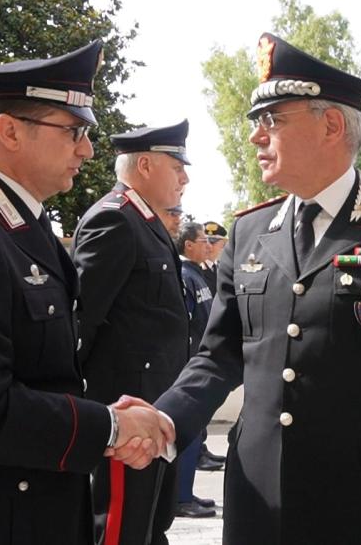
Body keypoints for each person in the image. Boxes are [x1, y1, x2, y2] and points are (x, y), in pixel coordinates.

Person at [153, 32, 361, 544]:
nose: (256, 137)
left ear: (332, 125)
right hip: (257, 496)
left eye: (272, 121)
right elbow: (218, 355)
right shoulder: (249, 231)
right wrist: (164, 419)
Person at [0, 40, 173, 545]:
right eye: (73, 132)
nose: (86, 150)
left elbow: (46, 373)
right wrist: (108, 426)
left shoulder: (23, 227)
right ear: (10, 130)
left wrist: (110, 416)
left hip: (31, 508)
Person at [72, 120, 192, 545]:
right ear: (144, 164)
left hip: (156, 404)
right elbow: (80, 323)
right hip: (125, 409)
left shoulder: (146, 223)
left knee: (150, 523)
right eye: (177, 165)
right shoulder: (115, 220)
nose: (185, 177)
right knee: (121, 527)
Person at [173, 222, 218, 517]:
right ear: (188, 245)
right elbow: (184, 324)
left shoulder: (199, 275)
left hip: (200, 359)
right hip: (189, 363)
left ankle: (186, 493)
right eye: (203, 240)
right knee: (186, 437)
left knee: (195, 436)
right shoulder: (185, 276)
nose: (208, 245)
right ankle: (180, 498)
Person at [196, 220, 229, 469]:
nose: (209, 247)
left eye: (214, 243)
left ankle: (201, 448)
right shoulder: (196, 271)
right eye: (206, 242)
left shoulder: (218, 269)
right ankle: (198, 450)